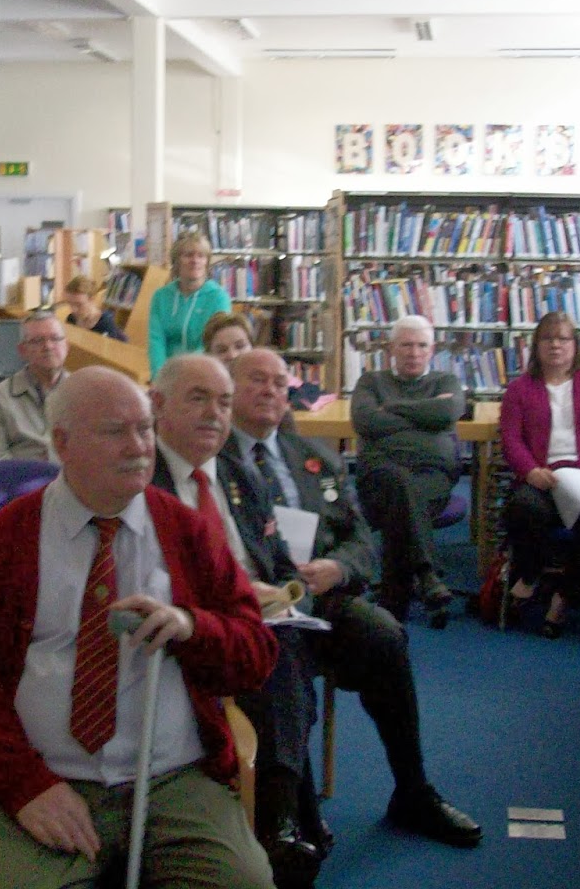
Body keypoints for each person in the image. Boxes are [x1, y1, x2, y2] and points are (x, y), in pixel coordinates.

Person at [0, 366, 277, 889]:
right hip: (49, 777)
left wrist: (192, 628)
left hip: (173, 780)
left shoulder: (186, 531)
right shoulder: (3, 540)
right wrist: (26, 786)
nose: (139, 447)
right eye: (115, 431)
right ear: (62, 443)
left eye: (146, 428)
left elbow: (256, 655)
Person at [224, 347, 482, 848]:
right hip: (257, 610)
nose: (271, 390)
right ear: (229, 389)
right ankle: (287, 818)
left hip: (321, 596)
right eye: (256, 380)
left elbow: (361, 538)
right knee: (282, 659)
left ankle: (412, 791)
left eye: (280, 382)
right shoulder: (215, 462)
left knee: (385, 635)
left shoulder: (313, 456)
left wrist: (338, 568)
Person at [148, 354, 325, 882]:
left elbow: (282, 565)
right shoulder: (141, 480)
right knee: (279, 656)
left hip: (261, 624)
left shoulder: (240, 477)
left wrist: (287, 596)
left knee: (291, 645)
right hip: (184, 628)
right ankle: (285, 819)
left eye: (224, 403)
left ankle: (283, 819)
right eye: (198, 398)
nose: (215, 414)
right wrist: (242, 600)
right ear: (157, 405)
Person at [498, 311, 580, 638]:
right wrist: (530, 471)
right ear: (536, 346)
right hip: (543, 478)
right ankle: (530, 574)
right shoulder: (519, 390)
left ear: (575, 345)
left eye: (563, 339)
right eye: (547, 339)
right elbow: (511, 439)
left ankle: (565, 593)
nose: (555, 345)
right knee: (522, 509)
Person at [349, 315, 464, 625]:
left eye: (422, 346)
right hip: (380, 475)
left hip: (432, 474)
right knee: (398, 485)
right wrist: (425, 414)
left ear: (432, 350)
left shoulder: (445, 382)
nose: (414, 353)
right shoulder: (371, 382)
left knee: (401, 501)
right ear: (391, 348)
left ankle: (393, 604)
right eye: (406, 345)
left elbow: (448, 412)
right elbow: (366, 421)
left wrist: (391, 407)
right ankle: (426, 574)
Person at [0, 310, 70, 464]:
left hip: (71, 478)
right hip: (22, 477)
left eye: (55, 338)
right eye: (37, 341)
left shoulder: (83, 392)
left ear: (66, 346)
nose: (48, 346)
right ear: (22, 350)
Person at [147, 232, 232, 376]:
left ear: (207, 262)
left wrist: (184, 373)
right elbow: (156, 341)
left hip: (205, 372)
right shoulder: (160, 297)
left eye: (201, 256)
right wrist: (160, 377)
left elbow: (213, 342)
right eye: (188, 255)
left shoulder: (219, 297)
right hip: (166, 374)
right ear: (177, 261)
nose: (195, 260)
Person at [62, 275, 127, 342]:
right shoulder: (71, 319)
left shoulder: (105, 324)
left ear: (92, 299)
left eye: (79, 304)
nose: (73, 310)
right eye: (70, 303)